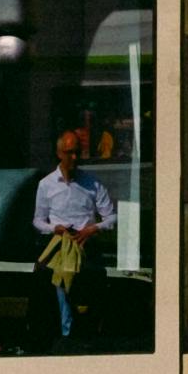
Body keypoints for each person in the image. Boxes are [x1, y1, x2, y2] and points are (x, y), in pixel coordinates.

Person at [33, 120, 116, 339]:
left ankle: (90, 332)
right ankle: (66, 332)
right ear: (60, 153)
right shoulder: (46, 185)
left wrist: (93, 229)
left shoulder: (92, 183)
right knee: (61, 285)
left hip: (86, 246)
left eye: (77, 153)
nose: (74, 158)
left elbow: (111, 216)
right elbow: (38, 221)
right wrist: (55, 228)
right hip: (62, 246)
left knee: (92, 290)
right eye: (70, 153)